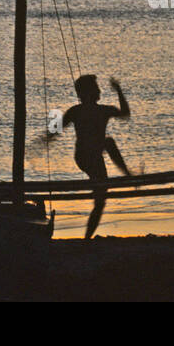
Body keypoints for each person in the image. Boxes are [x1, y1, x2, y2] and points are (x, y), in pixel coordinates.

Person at [59, 74, 132, 239]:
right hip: (86, 157)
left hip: (91, 157)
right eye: (96, 88)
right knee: (109, 143)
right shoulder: (85, 111)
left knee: (100, 200)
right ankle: (127, 174)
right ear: (88, 92)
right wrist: (118, 89)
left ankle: (87, 238)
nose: (99, 90)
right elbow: (125, 113)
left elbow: (54, 129)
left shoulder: (82, 110)